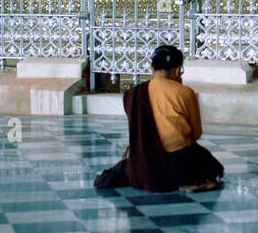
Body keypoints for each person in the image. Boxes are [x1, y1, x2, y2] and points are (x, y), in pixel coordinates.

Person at [95, 45, 223, 193]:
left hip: (143, 163)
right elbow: (196, 134)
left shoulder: (133, 93)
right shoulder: (186, 93)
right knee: (209, 163)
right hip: (177, 163)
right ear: (177, 70)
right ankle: (191, 180)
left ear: (151, 69)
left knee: (120, 170)